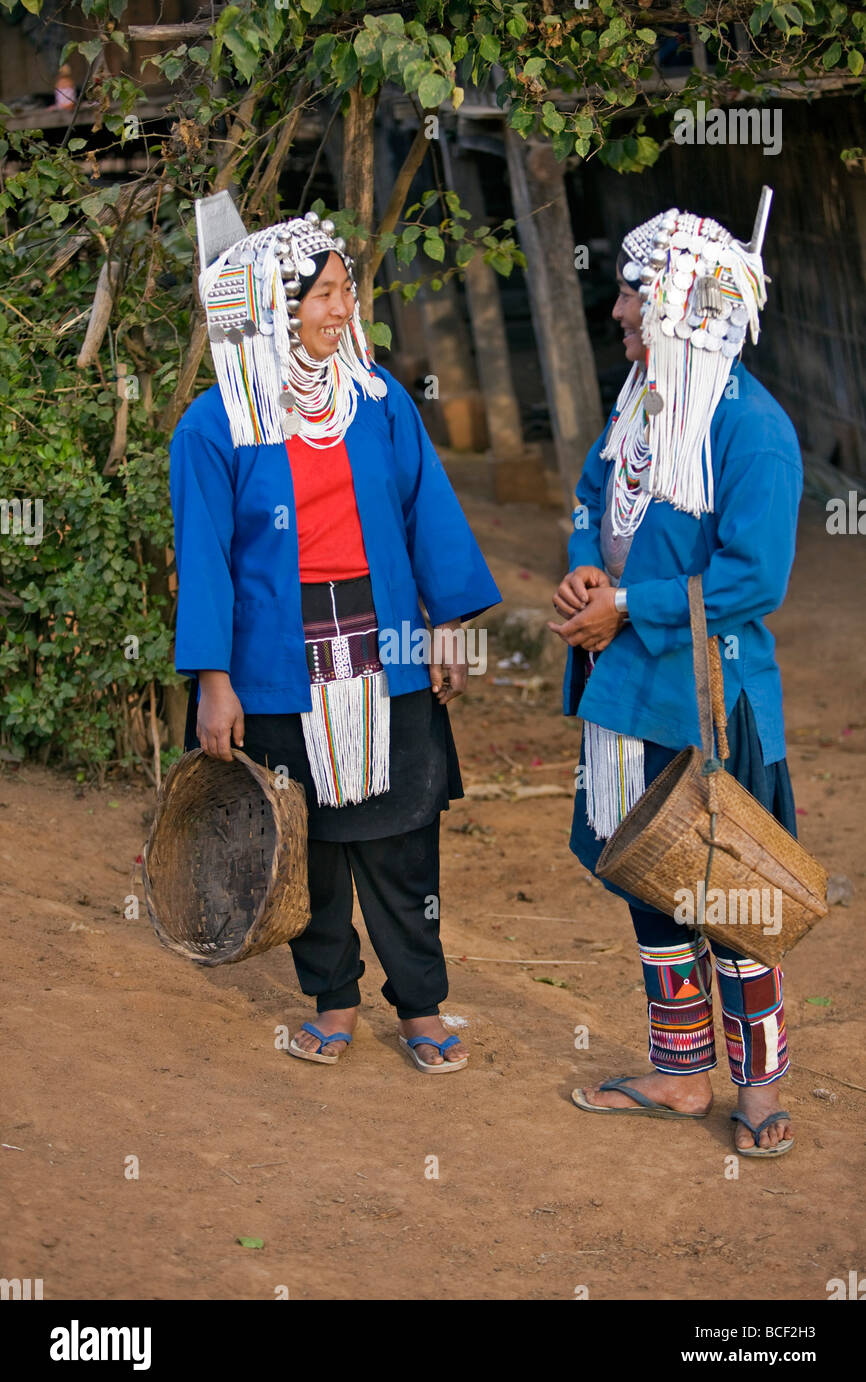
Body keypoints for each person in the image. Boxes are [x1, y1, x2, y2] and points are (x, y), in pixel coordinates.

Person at [170, 204, 500, 1071]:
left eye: (345, 291)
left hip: (382, 653)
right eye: (322, 295)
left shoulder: (380, 403)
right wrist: (213, 680)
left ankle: (422, 1006)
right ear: (277, 307)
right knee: (302, 838)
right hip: (278, 666)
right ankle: (333, 998)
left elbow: (428, 516)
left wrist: (450, 629)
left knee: (400, 836)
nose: (340, 310)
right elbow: (203, 559)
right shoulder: (216, 425)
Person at [550, 201, 802, 1156]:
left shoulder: (755, 434)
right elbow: (590, 494)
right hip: (626, 695)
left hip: (709, 704)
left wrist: (631, 605)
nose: (616, 310)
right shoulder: (644, 406)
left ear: (688, 310)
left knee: (729, 890)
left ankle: (762, 1091)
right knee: (647, 881)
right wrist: (585, 563)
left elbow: (753, 578)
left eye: (633, 294)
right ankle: (682, 1076)